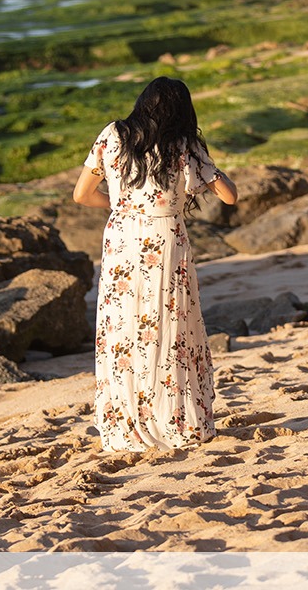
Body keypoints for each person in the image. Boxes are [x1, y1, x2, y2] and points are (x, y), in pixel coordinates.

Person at [72, 76, 238, 452]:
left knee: (125, 328)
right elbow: (229, 196)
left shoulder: (113, 134)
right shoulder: (184, 144)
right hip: (165, 241)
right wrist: (211, 167)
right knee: (169, 326)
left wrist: (122, 206)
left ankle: (127, 426)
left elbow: (81, 195)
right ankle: (176, 419)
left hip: (121, 240)